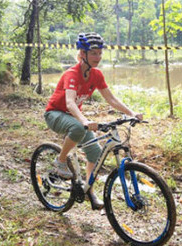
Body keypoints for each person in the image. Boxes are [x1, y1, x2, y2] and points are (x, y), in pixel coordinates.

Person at [44, 32, 143, 209]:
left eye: (99, 53)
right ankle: (60, 160)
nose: (98, 57)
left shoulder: (96, 75)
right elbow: (69, 102)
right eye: (93, 53)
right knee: (79, 128)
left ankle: (88, 190)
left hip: (74, 117)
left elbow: (111, 99)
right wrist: (84, 120)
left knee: (95, 154)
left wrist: (131, 112)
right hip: (55, 114)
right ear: (83, 54)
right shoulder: (72, 74)